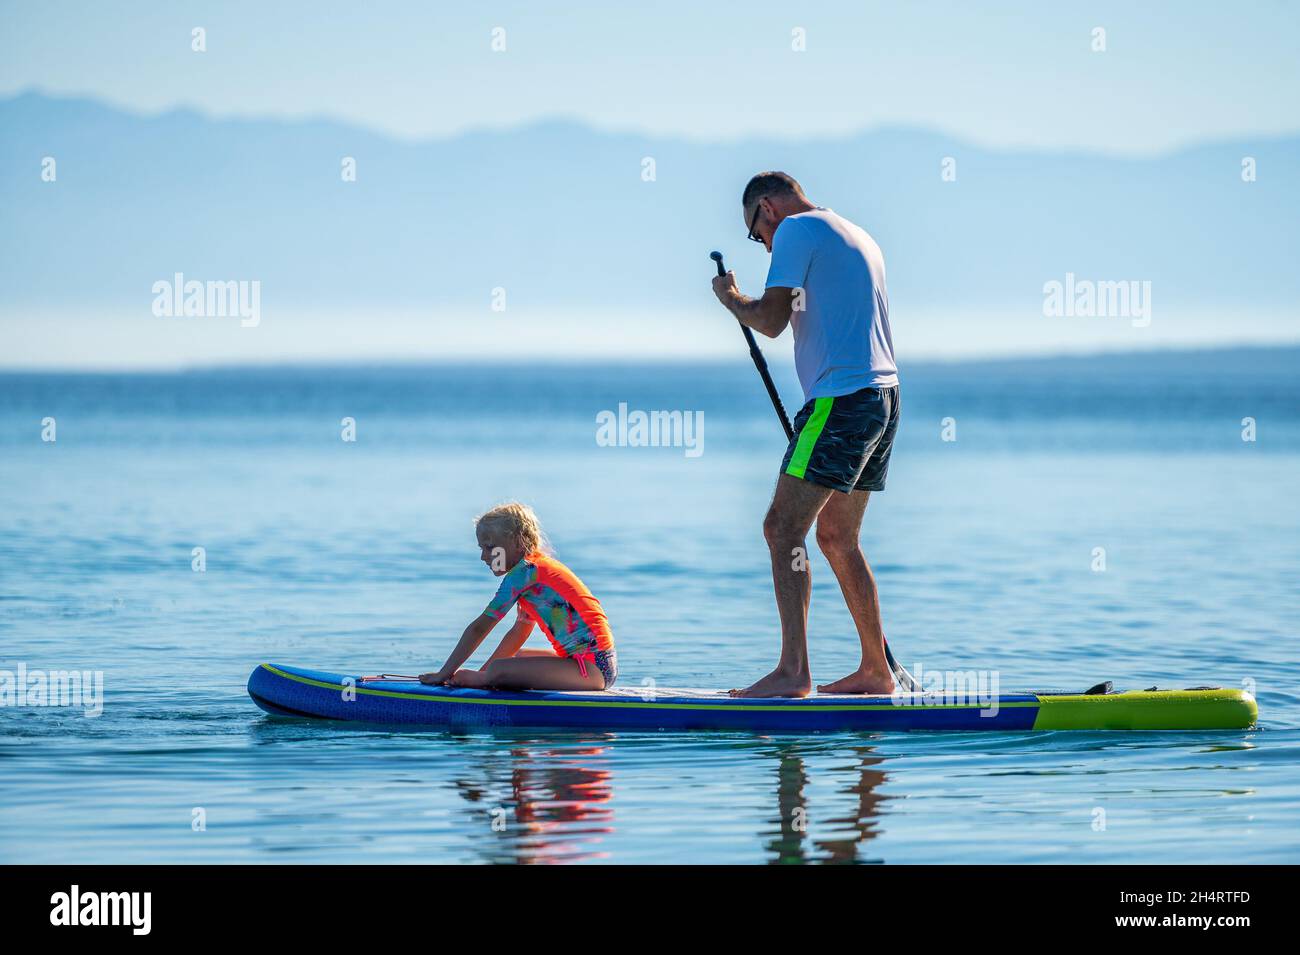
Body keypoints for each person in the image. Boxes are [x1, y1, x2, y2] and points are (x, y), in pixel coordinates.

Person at [711, 171, 900, 698]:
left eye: (756, 234)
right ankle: (875, 671)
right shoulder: (856, 232)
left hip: (840, 401)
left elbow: (770, 321)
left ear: (767, 209)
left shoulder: (794, 232)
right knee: (838, 537)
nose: (763, 243)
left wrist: (732, 299)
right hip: (883, 398)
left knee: (781, 528)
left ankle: (794, 673)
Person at [419, 502, 617, 691]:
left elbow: (480, 628)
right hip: (594, 665)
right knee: (513, 659)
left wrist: (444, 674)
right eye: (482, 548)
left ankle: (489, 678)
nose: (484, 556)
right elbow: (520, 631)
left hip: (590, 668)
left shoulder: (524, 573)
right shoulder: (535, 573)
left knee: (499, 669)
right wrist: (482, 676)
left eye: (490, 547)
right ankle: (488, 678)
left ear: (516, 542)